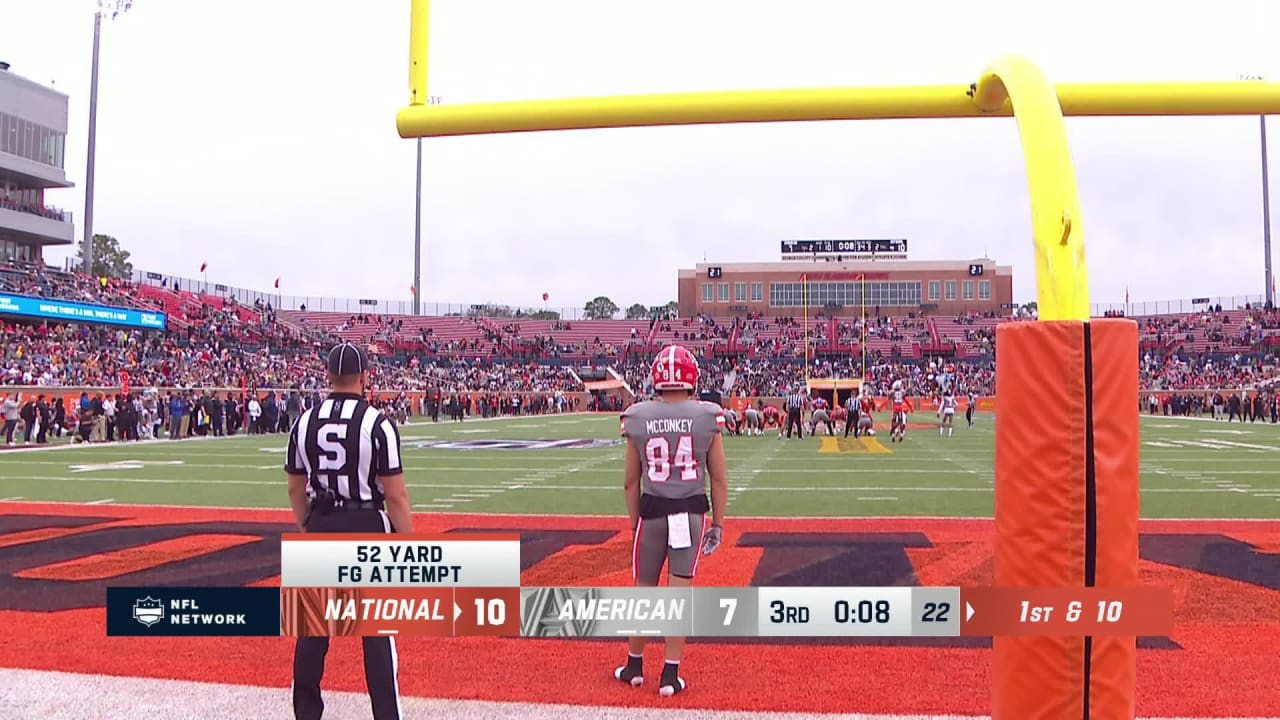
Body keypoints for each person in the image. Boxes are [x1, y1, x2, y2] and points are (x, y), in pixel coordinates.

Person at [287, 342, 411, 720]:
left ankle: (306, 712)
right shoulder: (378, 423)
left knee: (312, 630)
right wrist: (407, 546)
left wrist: (308, 524)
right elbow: (396, 496)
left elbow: (295, 487)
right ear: (364, 377)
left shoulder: (304, 421)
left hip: (323, 522)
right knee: (377, 635)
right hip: (367, 523)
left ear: (328, 376)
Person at [616, 345, 728, 697]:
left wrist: (636, 523)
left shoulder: (637, 416)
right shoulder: (707, 415)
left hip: (652, 512)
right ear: (692, 377)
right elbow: (719, 478)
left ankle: (634, 666)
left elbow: (630, 481)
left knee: (644, 590)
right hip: (689, 514)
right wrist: (719, 523)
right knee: (678, 594)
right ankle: (670, 674)